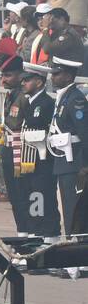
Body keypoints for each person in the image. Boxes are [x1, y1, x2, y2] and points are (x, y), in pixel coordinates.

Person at [46, 53, 88, 232]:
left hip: (75, 162)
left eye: (57, 73)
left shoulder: (76, 99)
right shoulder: (64, 96)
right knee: (68, 208)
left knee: (74, 208)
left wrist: (85, 165)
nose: (53, 77)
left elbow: (85, 133)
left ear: (69, 76)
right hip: (64, 160)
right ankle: (73, 239)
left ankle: (77, 244)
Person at [0, 54, 31, 235]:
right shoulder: (11, 96)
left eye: (8, 75)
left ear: (20, 75)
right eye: (2, 76)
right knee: (14, 195)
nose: (3, 80)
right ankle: (22, 231)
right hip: (9, 150)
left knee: (22, 194)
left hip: (21, 151)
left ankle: (26, 231)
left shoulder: (23, 97)